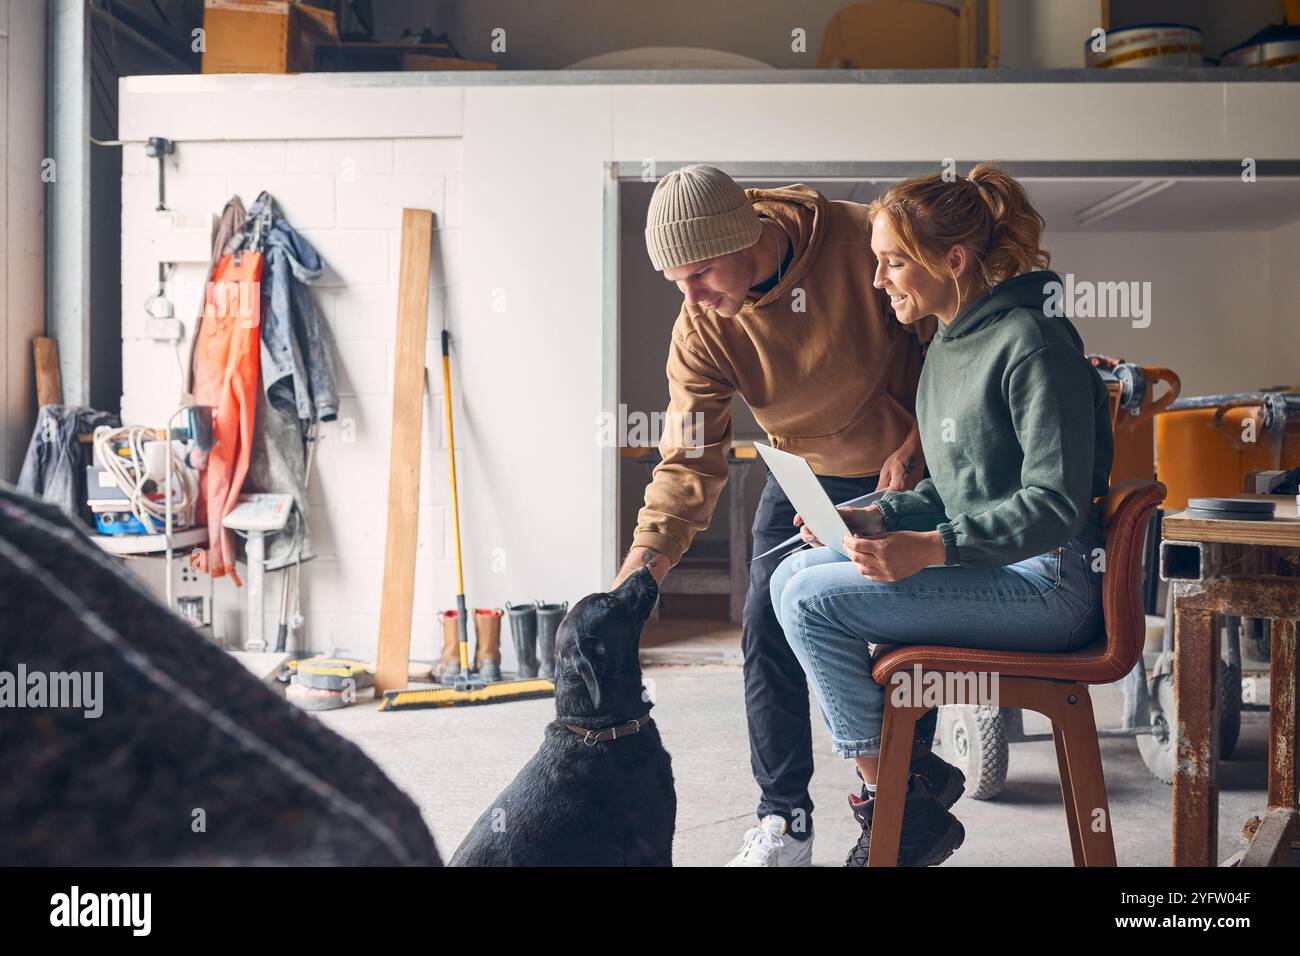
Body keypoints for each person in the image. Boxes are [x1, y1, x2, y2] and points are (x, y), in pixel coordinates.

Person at [769, 164, 1114, 867]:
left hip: (1051, 586)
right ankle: (907, 794)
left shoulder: (1033, 342)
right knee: (791, 575)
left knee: (809, 600)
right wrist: (873, 513)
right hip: (997, 568)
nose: (878, 280)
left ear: (952, 261)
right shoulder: (948, 348)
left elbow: (1053, 504)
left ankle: (896, 804)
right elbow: (960, 491)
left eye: (893, 261)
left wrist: (929, 548)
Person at [612, 164, 936, 866]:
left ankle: (900, 814)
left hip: (905, 465)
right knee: (766, 630)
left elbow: (950, 346)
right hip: (801, 472)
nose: (691, 298)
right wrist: (636, 581)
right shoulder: (701, 326)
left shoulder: (861, 241)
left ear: (748, 235)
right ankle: (784, 821)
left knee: (899, 638)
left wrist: (917, 447)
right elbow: (689, 461)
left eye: (698, 275)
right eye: (677, 285)